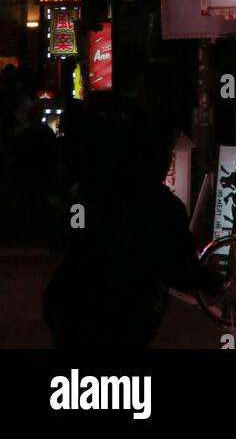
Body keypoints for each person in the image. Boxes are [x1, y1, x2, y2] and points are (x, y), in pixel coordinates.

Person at [43, 105, 216, 348]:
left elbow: (63, 236)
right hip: (128, 315)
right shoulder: (163, 207)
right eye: (166, 153)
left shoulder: (93, 191)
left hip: (75, 307)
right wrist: (208, 280)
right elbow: (178, 268)